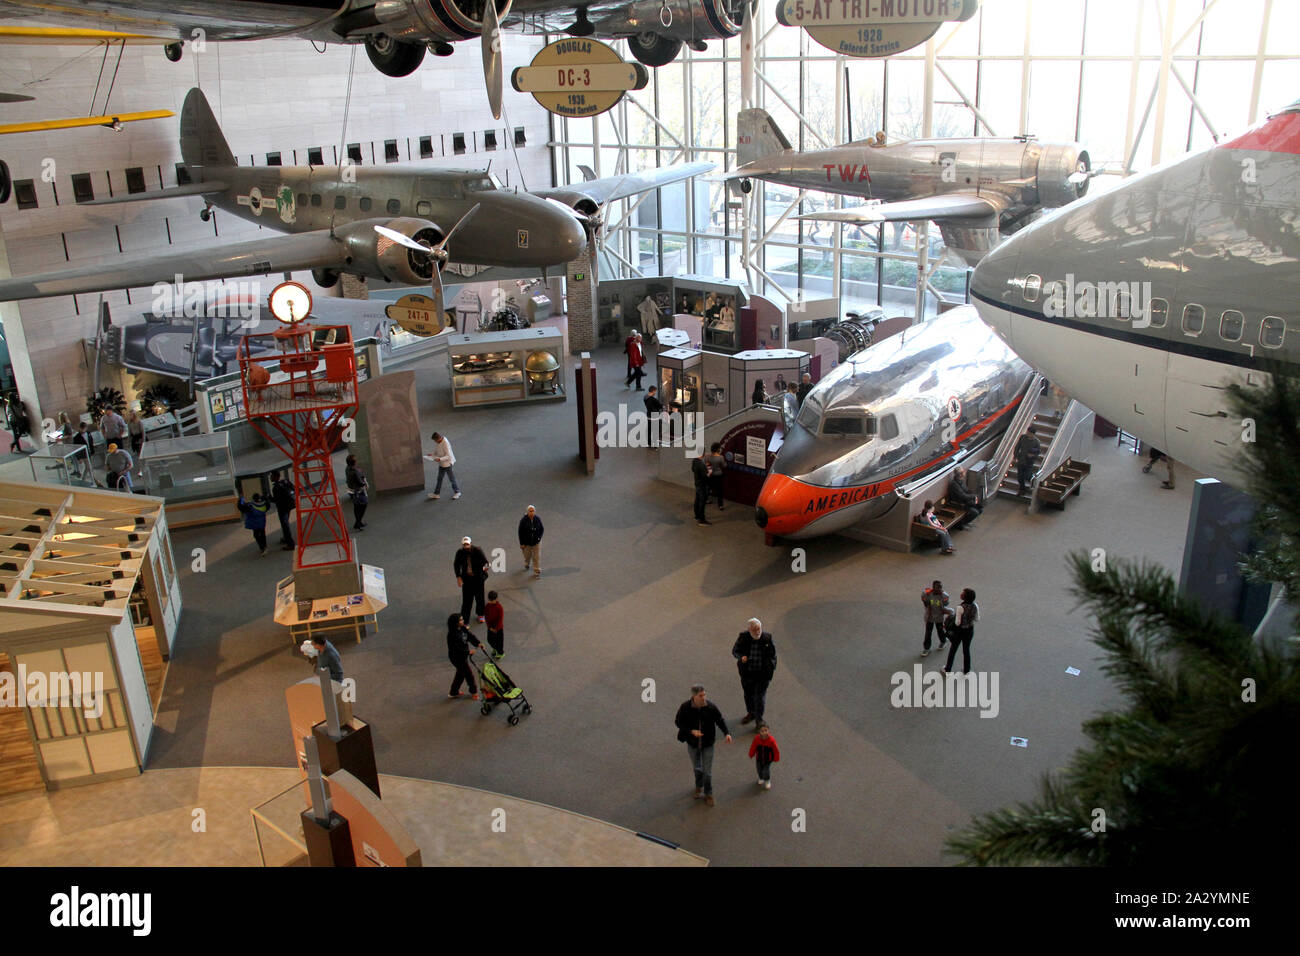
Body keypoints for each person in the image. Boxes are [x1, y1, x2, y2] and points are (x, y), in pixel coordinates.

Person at [673, 684, 731, 806]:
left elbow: (720, 720)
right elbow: (678, 722)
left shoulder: (711, 707)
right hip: (692, 743)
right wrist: (691, 731)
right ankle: (698, 786)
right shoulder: (685, 707)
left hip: (708, 743)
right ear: (694, 696)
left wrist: (727, 733)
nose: (704, 697)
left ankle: (708, 793)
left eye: (704, 694)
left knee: (707, 771)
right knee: (697, 768)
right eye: (701, 695)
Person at [732, 618, 777, 726]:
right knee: (748, 695)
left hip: (762, 674)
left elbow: (773, 654)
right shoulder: (743, 637)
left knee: (759, 697)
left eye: (758, 629)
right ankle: (751, 713)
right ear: (749, 629)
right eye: (754, 630)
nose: (757, 632)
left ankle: (759, 718)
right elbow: (735, 651)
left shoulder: (767, 637)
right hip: (748, 673)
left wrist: (771, 668)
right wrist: (741, 657)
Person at [942, 588, 980, 675]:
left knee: (953, 649)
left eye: (963, 593)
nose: (961, 594)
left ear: (965, 597)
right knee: (966, 650)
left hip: (960, 631)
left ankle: (948, 669)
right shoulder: (975, 605)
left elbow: (957, 622)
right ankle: (967, 669)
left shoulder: (960, 607)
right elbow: (977, 619)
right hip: (970, 630)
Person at [454, 535, 490, 623]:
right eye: (464, 545)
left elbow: (486, 562)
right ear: (462, 545)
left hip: (478, 578)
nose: (466, 546)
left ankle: (481, 614)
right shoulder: (460, 553)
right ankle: (465, 620)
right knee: (466, 600)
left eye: (467, 544)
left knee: (480, 598)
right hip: (467, 580)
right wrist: (458, 577)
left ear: (470, 544)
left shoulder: (477, 551)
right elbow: (456, 565)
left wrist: (485, 567)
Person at [445, 613, 481, 699]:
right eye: (461, 620)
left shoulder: (463, 629)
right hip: (457, 658)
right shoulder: (452, 635)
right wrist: (468, 652)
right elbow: (457, 649)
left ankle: (453, 692)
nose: (463, 621)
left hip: (463, 656)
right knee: (469, 675)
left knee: (461, 674)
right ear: (456, 623)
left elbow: (470, 636)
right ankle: (474, 691)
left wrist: (477, 643)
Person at [425, 431, 461, 500]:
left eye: (435, 440)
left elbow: (448, 456)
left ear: (438, 438)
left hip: (447, 464)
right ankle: (436, 494)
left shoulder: (445, 443)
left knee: (451, 479)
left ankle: (457, 492)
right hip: (442, 464)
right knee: (439, 479)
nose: (435, 442)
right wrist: (432, 455)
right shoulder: (439, 442)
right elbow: (437, 450)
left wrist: (440, 459)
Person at [921, 579, 950, 658]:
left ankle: (943, 641)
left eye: (941, 587)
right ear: (933, 587)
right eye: (938, 587)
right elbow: (924, 600)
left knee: (940, 630)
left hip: (939, 617)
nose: (940, 588)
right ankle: (927, 648)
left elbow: (946, 604)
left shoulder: (944, 595)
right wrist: (925, 602)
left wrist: (942, 597)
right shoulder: (927, 594)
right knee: (928, 633)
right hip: (929, 616)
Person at [749, 722, 780, 790]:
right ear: (759, 732)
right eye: (762, 731)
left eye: (766, 730)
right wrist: (751, 753)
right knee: (759, 769)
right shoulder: (757, 739)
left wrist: (776, 758)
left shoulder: (771, 740)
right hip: (759, 758)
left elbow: (776, 750)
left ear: (768, 730)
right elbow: (753, 747)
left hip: (768, 759)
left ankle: (767, 780)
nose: (764, 732)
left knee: (766, 771)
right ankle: (761, 778)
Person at [270, 469, 296, 550]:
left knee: (285, 525)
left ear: (275, 477)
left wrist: (269, 498)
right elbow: (294, 488)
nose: (270, 477)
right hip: (290, 505)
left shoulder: (276, 488)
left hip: (282, 508)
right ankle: (285, 538)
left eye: (271, 476)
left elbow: (276, 500)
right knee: (286, 522)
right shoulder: (285, 481)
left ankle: (290, 544)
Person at [517, 505, 543, 579]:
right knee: (527, 555)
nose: (531, 512)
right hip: (526, 543)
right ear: (527, 512)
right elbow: (520, 532)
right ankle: (527, 563)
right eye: (530, 511)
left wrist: (539, 538)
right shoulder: (523, 521)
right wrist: (521, 543)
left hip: (536, 542)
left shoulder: (537, 519)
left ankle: (536, 570)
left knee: (536, 557)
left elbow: (542, 529)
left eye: (533, 511)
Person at [1014, 427, 1041, 495]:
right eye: (1027, 432)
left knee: (1028, 476)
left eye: (1029, 433)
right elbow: (1017, 446)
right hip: (1021, 460)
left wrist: (1032, 456)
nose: (1027, 433)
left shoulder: (1036, 442)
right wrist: (1015, 456)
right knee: (1020, 477)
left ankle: (1034, 484)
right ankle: (1022, 490)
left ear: (1032, 434)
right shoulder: (1023, 437)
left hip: (1029, 462)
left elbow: (1038, 453)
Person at [344, 454, 368, 531]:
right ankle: (357, 523)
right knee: (363, 505)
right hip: (358, 491)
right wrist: (365, 482)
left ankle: (358, 522)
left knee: (356, 507)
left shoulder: (347, 469)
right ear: (354, 462)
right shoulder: (355, 472)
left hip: (351, 491)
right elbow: (361, 483)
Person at [692, 449, 712, 526]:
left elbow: (693, 469)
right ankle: (702, 520)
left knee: (697, 500)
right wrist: (709, 472)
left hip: (697, 483)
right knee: (702, 502)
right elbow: (705, 477)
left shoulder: (694, 461)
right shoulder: (701, 464)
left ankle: (697, 516)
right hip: (702, 485)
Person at [484, 591, 505, 658]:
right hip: (490, 627)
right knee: (489, 639)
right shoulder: (487, 606)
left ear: (496, 599)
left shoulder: (499, 607)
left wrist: (496, 629)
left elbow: (500, 619)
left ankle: (501, 653)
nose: (491, 601)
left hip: (498, 628)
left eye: (493, 600)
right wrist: (489, 627)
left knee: (499, 642)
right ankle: (495, 648)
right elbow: (486, 617)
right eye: (490, 600)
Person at [707, 442, 726, 510]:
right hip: (718, 475)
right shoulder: (721, 457)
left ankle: (708, 500)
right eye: (719, 448)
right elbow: (724, 466)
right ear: (717, 449)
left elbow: (707, 465)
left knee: (709, 488)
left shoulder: (708, 456)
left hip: (711, 475)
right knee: (719, 490)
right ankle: (720, 505)